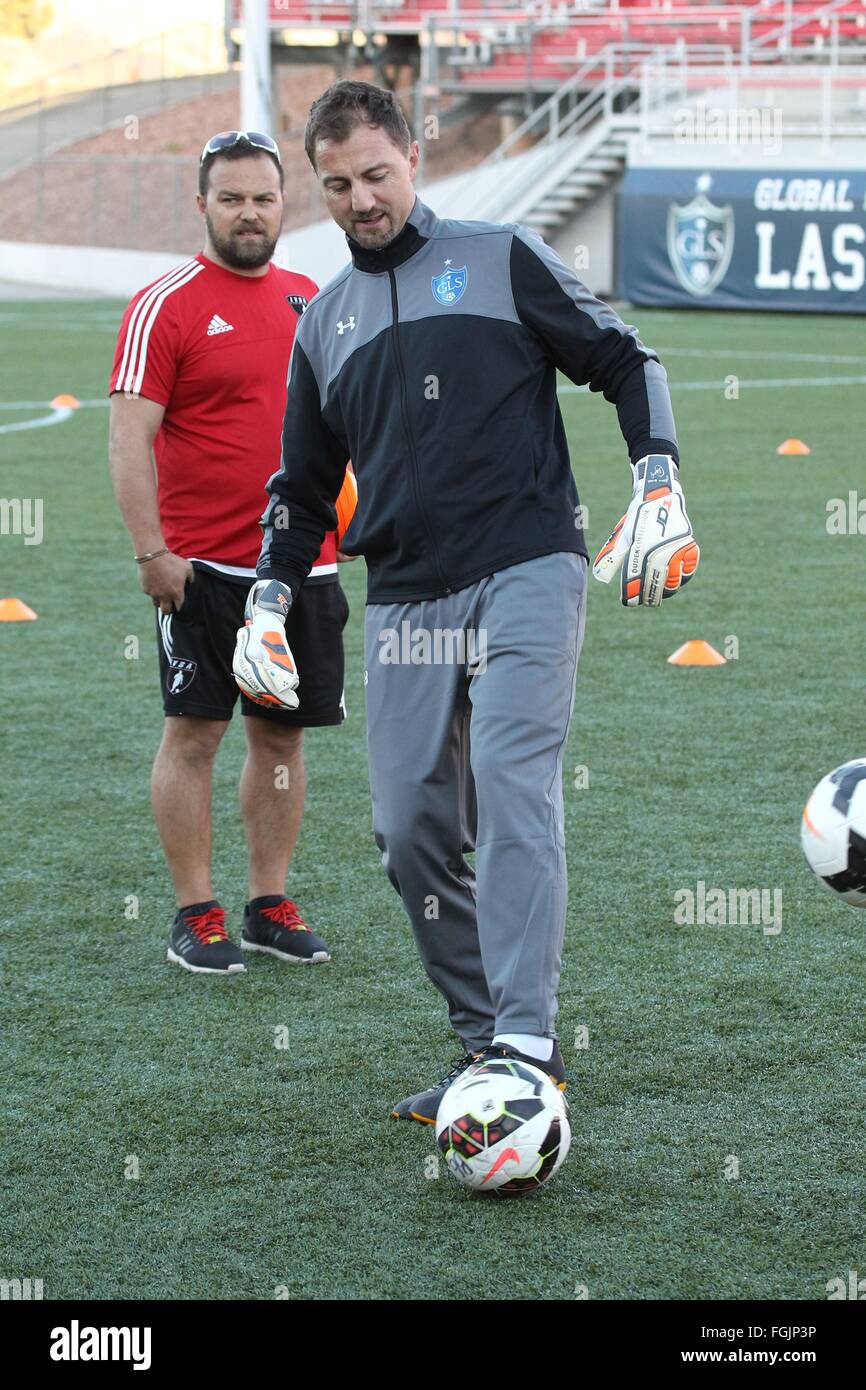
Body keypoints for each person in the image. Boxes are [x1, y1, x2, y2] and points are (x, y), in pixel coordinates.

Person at [233, 83, 699, 1115]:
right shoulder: (325, 326)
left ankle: (527, 1046)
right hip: (403, 600)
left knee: (509, 777)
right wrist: (268, 596)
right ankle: (481, 1034)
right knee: (407, 828)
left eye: (377, 174)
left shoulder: (498, 255)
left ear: (415, 157)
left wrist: (655, 474)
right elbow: (302, 491)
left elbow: (624, 359)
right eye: (338, 184)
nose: (360, 199)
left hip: (527, 564)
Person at [109, 130, 354, 975]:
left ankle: (267, 903)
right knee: (194, 735)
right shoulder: (165, 304)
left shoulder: (310, 297)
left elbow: (339, 424)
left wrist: (347, 527)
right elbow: (127, 438)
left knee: (282, 740)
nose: (249, 212)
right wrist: (153, 552)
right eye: (232, 197)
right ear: (202, 203)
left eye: (264, 197)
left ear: (285, 204)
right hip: (204, 568)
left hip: (302, 567)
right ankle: (195, 910)